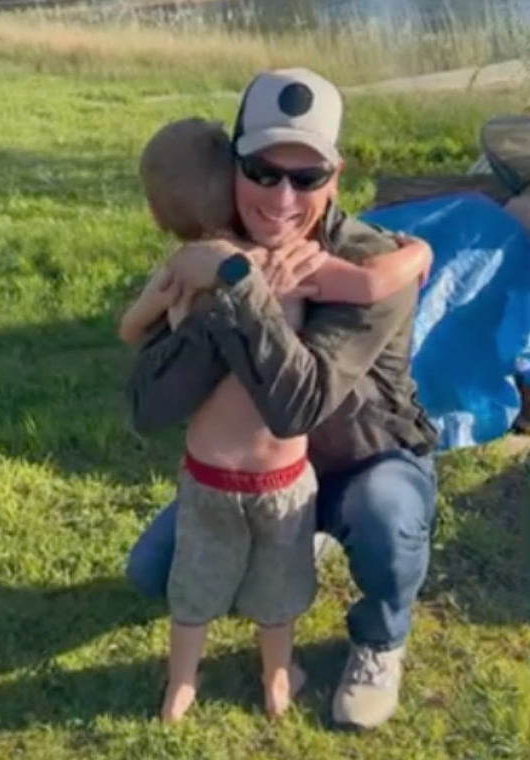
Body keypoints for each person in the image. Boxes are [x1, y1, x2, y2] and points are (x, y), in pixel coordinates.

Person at [124, 68, 441, 731]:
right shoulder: (209, 253)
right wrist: (219, 289)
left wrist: (240, 287)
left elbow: (298, 406)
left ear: (336, 176)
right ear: (233, 165)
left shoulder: (370, 265)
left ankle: (380, 641)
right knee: (152, 572)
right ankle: (299, 544)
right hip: (256, 477)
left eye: (307, 177)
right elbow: (147, 405)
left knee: (387, 519)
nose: (283, 197)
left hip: (365, 459)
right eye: (264, 172)